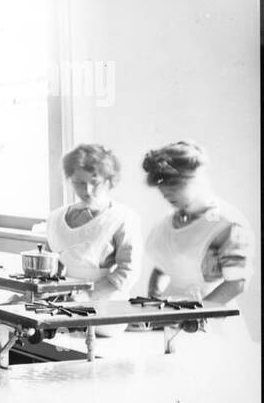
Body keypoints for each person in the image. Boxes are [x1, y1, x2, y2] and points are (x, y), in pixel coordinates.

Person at [142, 141, 253, 335]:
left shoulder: (225, 223)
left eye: (174, 184)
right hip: (170, 318)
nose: (166, 192)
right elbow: (163, 267)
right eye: (162, 184)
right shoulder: (169, 220)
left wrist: (195, 314)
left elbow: (238, 283)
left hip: (208, 318)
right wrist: (154, 300)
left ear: (197, 178)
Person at [44, 144, 142, 301]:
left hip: (106, 305)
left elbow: (128, 272)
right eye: (79, 182)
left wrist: (87, 295)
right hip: (64, 303)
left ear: (109, 181)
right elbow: (51, 265)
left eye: (95, 182)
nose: (87, 190)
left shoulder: (123, 217)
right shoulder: (56, 218)